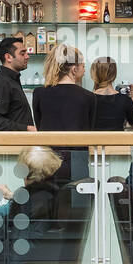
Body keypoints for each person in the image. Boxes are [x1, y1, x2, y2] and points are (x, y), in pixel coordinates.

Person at [34, 43, 96, 181]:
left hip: (46, 162)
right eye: (83, 66)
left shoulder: (39, 93)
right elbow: (89, 131)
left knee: (46, 201)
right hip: (77, 162)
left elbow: (39, 127)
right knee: (78, 201)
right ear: (74, 69)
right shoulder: (88, 97)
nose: (84, 70)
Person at [0, 37, 36, 132]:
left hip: (20, 144)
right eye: (22, 53)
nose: (27, 56)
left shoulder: (12, 80)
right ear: (8, 57)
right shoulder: (0, 83)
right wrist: (27, 128)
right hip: (10, 145)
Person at [90, 57, 133, 131]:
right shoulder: (124, 100)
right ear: (114, 75)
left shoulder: (87, 98)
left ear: (94, 75)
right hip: (118, 142)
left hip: (94, 142)